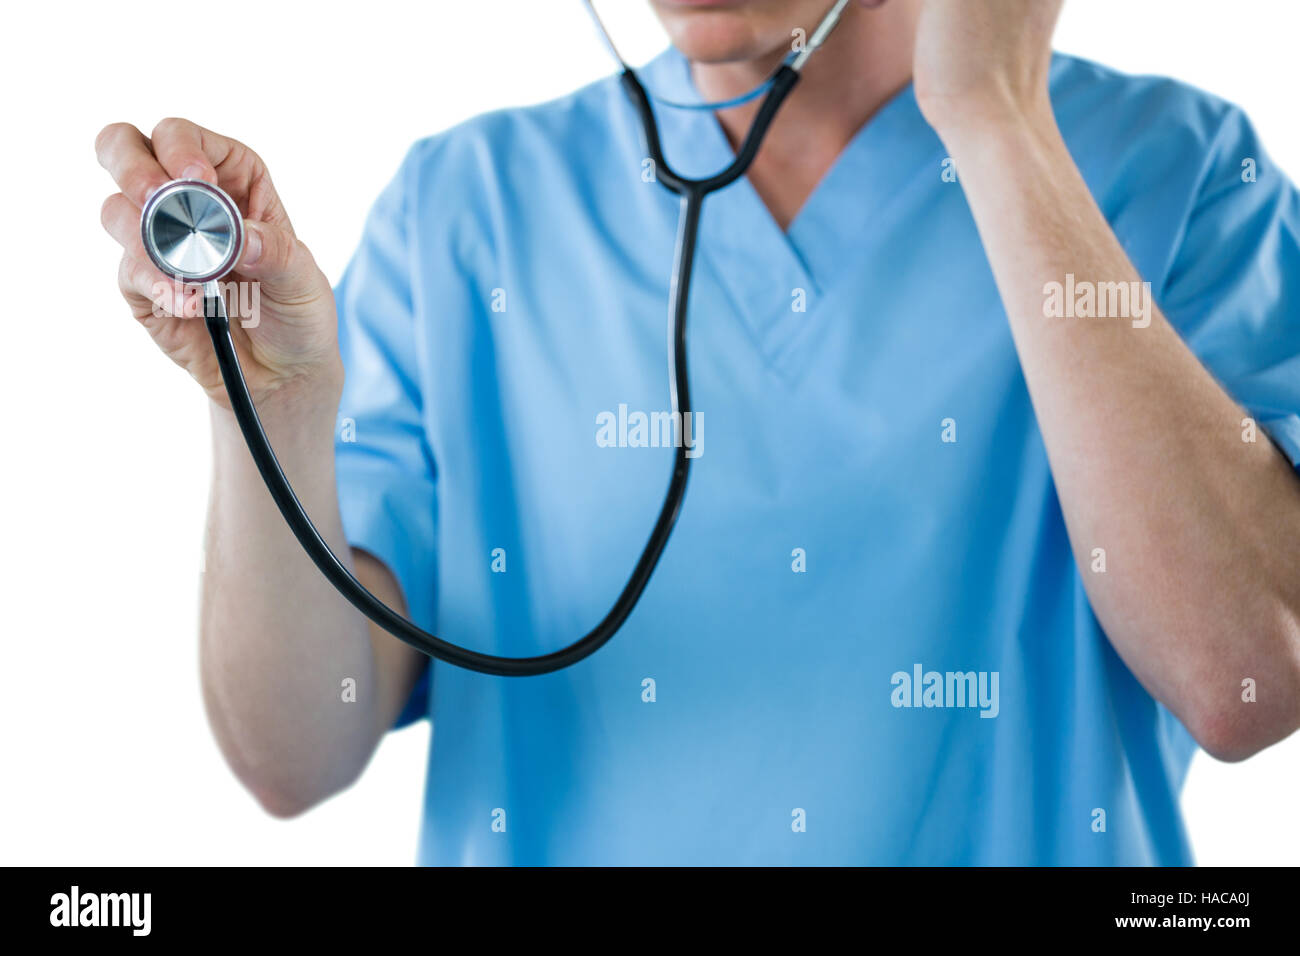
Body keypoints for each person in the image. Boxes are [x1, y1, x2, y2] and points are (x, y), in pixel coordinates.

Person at [95, 0, 1300, 865]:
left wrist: (994, 116)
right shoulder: (463, 209)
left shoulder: (1178, 173)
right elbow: (292, 756)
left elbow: (1248, 677)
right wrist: (275, 413)